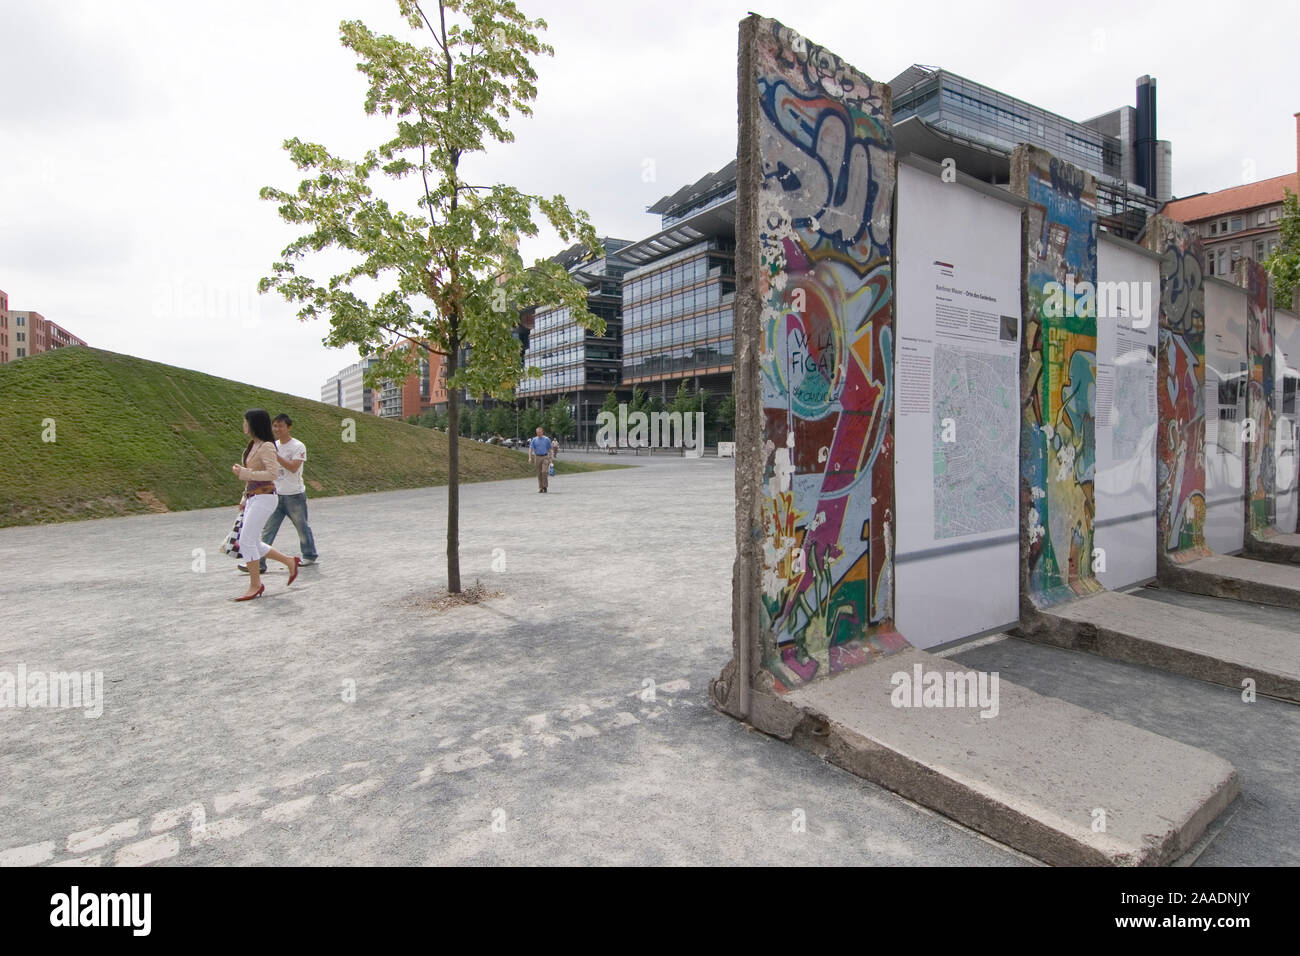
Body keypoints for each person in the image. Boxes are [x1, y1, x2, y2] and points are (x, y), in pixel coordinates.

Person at [230, 409, 300, 601]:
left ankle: (255, 584)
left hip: (265, 497)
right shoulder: (253, 445)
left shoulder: (267, 446)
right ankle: (289, 561)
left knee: (246, 541)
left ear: (253, 424)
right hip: (253, 497)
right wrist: (244, 496)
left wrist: (245, 473)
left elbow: (272, 474)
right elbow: (251, 473)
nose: (243, 425)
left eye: (245, 422)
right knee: (251, 541)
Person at [240, 413, 319, 574]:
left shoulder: (297, 446)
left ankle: (309, 555)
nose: (277, 429)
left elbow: (293, 467)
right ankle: (259, 562)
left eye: (280, 426)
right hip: (274, 494)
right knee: (267, 529)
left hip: (294, 494)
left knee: (302, 526)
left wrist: (276, 456)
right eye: (274, 426)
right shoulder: (272, 444)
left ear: (288, 428)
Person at [527, 426, 554, 493]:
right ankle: (540, 487)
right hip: (537, 457)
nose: (538, 434)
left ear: (542, 432)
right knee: (539, 473)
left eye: (539, 432)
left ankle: (545, 486)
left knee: (544, 472)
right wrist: (530, 457)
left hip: (545, 457)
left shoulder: (546, 439)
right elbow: (530, 449)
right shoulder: (534, 439)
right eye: (537, 432)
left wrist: (550, 459)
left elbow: (550, 450)